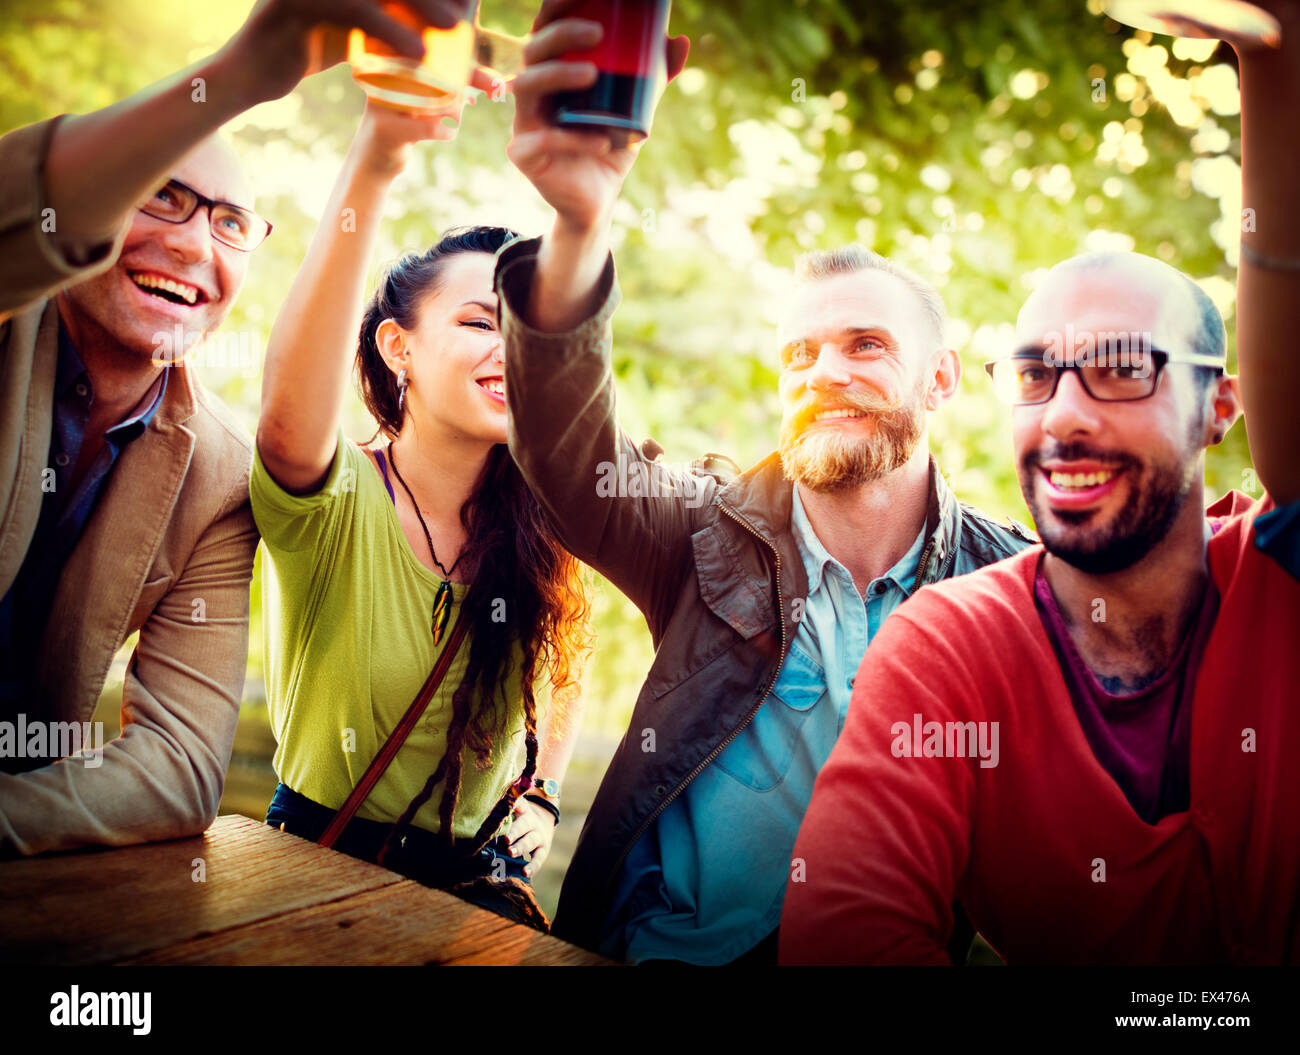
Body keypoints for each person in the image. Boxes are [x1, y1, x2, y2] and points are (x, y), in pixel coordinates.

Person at [492, 7, 1033, 962]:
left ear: (942, 380)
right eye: (800, 353)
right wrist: (581, 218)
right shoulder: (700, 530)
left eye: (866, 345)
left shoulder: (1012, 587)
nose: (825, 371)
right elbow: (566, 445)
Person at [781, 2, 1300, 965]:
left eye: (1118, 367)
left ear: (1222, 404)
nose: (1064, 413)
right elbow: (844, 937)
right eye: (1034, 374)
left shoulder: (1283, 581)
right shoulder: (948, 649)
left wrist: (1271, 58)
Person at [0, 0, 482, 854]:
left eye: (229, 223)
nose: (194, 246)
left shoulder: (218, 477)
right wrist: (236, 78)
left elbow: (177, 769)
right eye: (164, 199)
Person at [252, 93, 591, 928]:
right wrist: (375, 161)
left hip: (479, 898)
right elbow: (291, 408)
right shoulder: (333, 500)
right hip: (317, 879)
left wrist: (542, 791)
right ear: (397, 346)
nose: (509, 347)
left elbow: (568, 660)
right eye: (480, 320)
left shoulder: (548, 521)